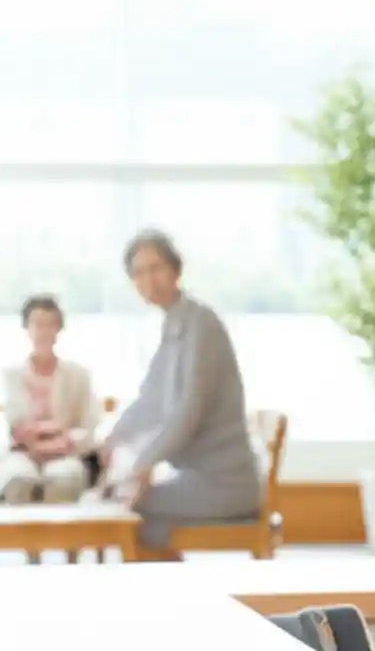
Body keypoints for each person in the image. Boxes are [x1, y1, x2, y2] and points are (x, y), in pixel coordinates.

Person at [99, 229, 262, 550]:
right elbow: (150, 401)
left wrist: (142, 466)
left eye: (156, 268)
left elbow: (188, 412)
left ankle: (156, 576)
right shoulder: (174, 324)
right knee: (122, 497)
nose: (149, 280)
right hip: (195, 477)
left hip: (225, 483)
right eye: (138, 273)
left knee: (125, 503)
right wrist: (112, 440)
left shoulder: (201, 324)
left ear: (176, 270)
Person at [0, 294, 101, 503]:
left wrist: (64, 440)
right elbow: (11, 426)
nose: (44, 332)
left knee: (65, 478)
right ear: (27, 328)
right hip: (21, 454)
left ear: (59, 329)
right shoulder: (11, 376)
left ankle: (60, 526)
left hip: (66, 453)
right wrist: (42, 436)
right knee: (17, 479)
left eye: (50, 324)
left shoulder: (78, 375)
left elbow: (89, 425)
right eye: (38, 324)